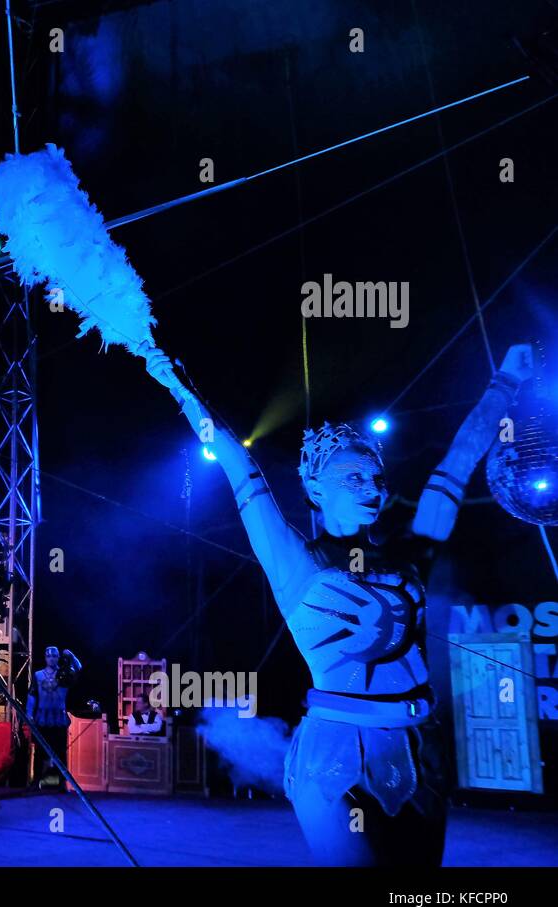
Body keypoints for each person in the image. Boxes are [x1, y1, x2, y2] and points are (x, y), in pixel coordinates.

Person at [141, 340, 534, 866]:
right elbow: (239, 465)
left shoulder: (410, 555)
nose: (371, 487)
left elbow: (459, 462)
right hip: (335, 754)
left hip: (421, 745)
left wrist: (504, 383)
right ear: (314, 487)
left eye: (375, 477)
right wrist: (178, 384)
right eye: (352, 478)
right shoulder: (296, 563)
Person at [24, 646, 82, 790]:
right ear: (45, 657)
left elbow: (79, 668)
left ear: (58, 658)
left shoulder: (64, 674)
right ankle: (36, 781)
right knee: (39, 752)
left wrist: (71, 655)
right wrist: (29, 713)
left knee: (60, 752)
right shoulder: (38, 675)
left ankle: (62, 783)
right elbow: (32, 694)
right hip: (42, 718)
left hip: (59, 718)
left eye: (54, 656)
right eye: (49, 656)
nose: (51, 658)